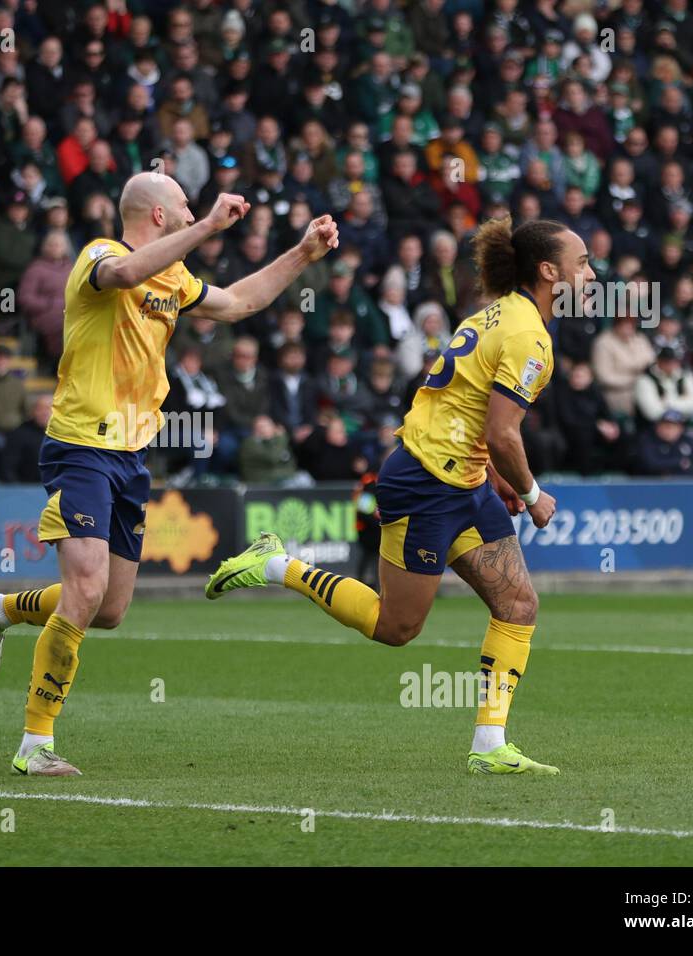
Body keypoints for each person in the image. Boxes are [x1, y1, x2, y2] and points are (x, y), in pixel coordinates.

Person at [0, 174, 339, 776]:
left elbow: (239, 303)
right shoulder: (100, 255)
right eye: (185, 206)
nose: (195, 211)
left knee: (108, 608)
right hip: (81, 446)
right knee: (85, 591)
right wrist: (210, 225)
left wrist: (301, 253)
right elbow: (124, 276)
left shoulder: (175, 276)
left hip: (132, 456)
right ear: (160, 216)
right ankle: (34, 746)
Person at [204, 216, 584, 777]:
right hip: (426, 481)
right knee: (396, 628)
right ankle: (277, 565)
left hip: (465, 478)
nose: (591, 273)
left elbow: (471, 410)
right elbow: (504, 431)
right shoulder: (529, 335)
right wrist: (530, 493)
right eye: (582, 263)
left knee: (519, 605)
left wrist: (496, 478)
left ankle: (489, 744)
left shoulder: (499, 315)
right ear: (550, 272)